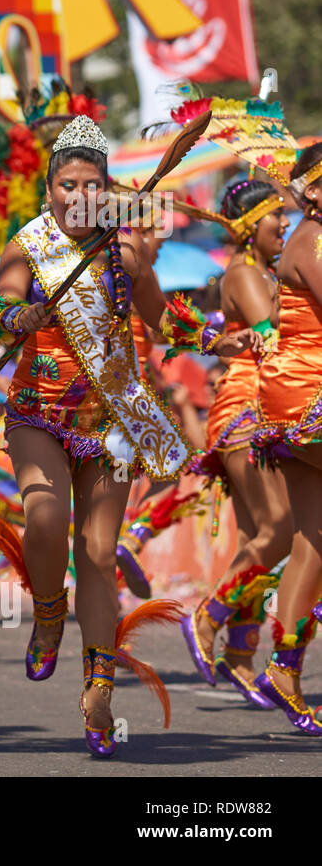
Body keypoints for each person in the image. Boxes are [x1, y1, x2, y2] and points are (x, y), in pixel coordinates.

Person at [0, 115, 260, 757]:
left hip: (112, 424)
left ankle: (99, 688)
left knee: (96, 553)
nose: (78, 197)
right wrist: (16, 312)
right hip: (39, 412)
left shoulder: (124, 255)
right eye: (67, 185)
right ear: (50, 191)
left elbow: (166, 320)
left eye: (91, 186)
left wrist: (215, 340)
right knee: (43, 516)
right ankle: (45, 612)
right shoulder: (29, 247)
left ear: (105, 193)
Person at [179, 180, 292, 707]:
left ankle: (243, 657)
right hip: (247, 408)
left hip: (259, 407)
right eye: (277, 218)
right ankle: (208, 616)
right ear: (250, 226)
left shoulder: (263, 271)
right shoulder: (246, 273)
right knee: (279, 530)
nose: (285, 225)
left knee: (258, 537)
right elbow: (271, 339)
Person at [251, 143, 322, 734]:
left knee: (313, 538)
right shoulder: (315, 239)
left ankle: (284, 666)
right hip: (308, 393)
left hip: (288, 395)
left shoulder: (304, 236)